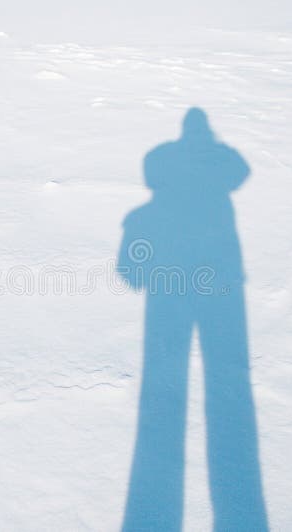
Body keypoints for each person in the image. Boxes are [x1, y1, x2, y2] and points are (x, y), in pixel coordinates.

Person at [118, 108, 268, 531]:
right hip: (209, 277)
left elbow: (240, 171)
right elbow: (240, 172)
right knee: (220, 375)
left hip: (195, 278)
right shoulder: (215, 168)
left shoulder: (160, 173)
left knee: (194, 371)